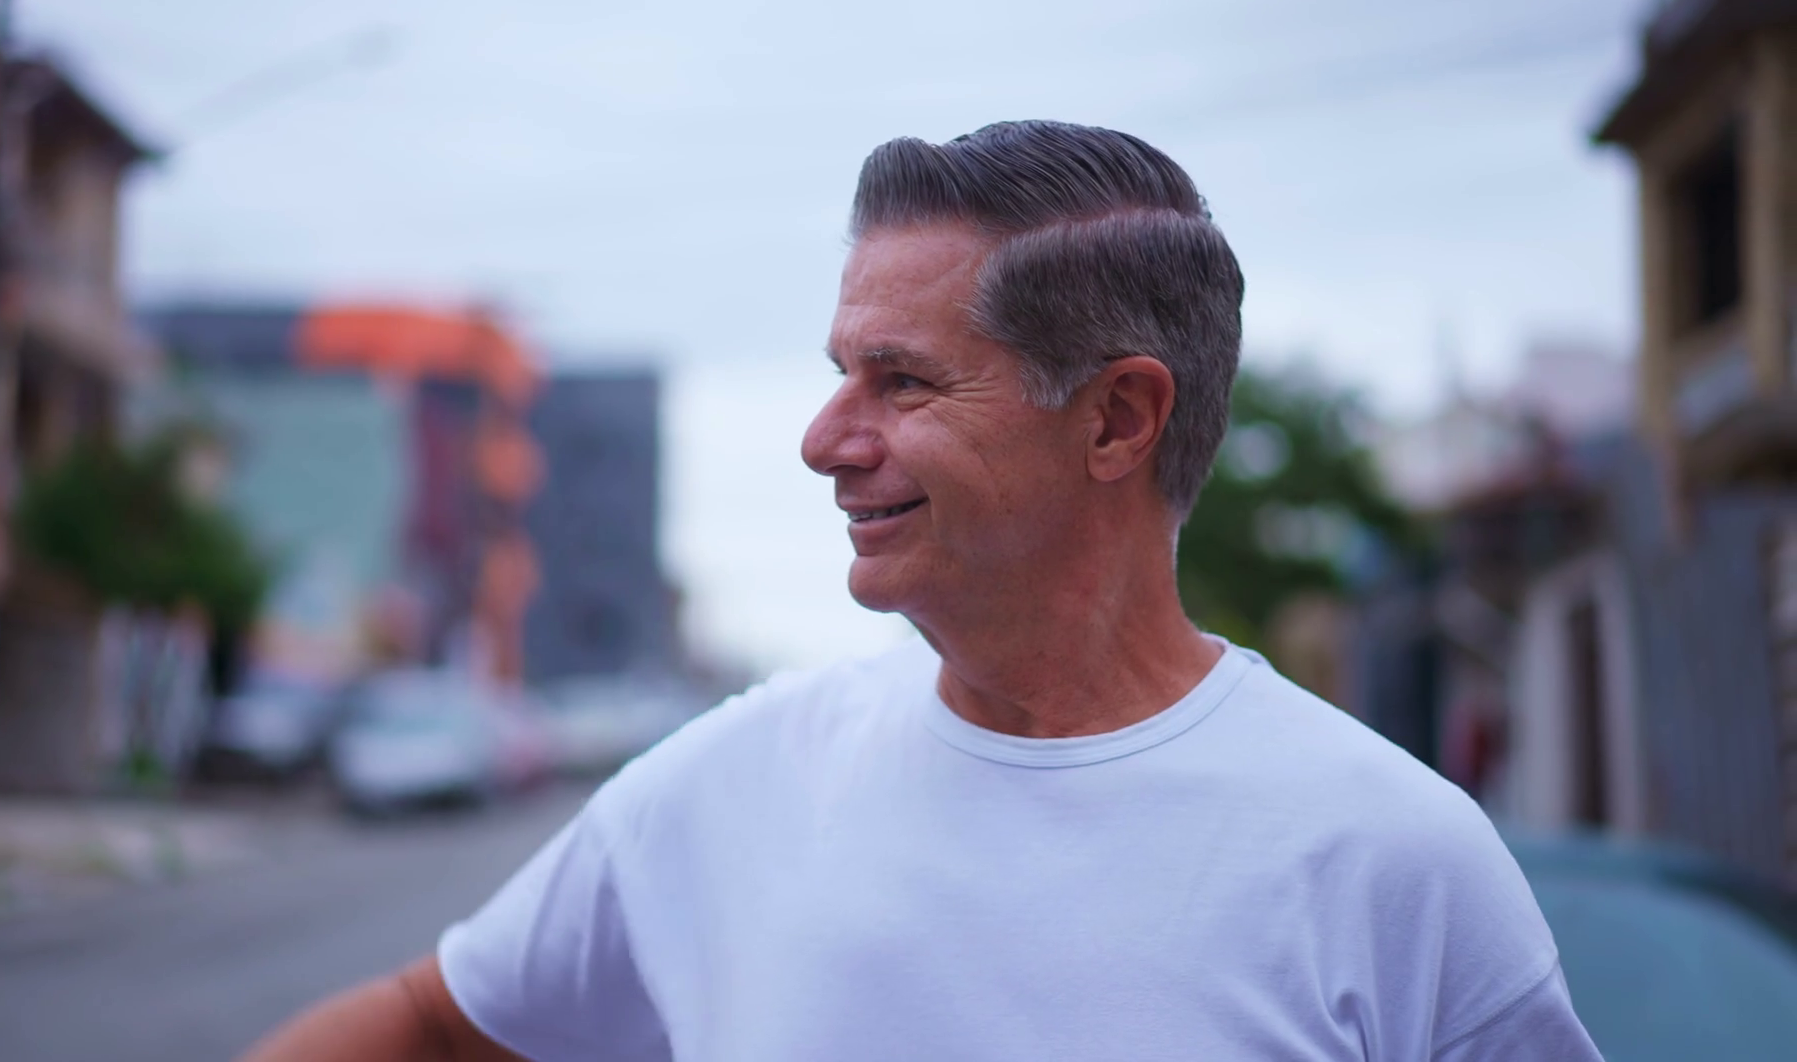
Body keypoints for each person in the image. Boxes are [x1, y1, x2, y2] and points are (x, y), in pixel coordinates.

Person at [243, 121, 1602, 1062]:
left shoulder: (1395, 863)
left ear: (1118, 420)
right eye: (840, 372)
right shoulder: (730, 786)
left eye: (900, 379)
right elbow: (432, 1028)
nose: (825, 439)